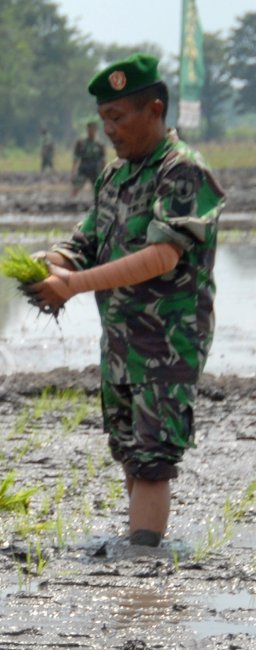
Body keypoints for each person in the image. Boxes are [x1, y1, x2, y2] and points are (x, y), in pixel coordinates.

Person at [29, 54, 225, 549]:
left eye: (118, 118)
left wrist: (74, 285)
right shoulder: (115, 177)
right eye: (103, 120)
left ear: (154, 109)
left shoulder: (183, 172)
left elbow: (161, 255)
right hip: (119, 341)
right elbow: (84, 242)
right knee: (128, 450)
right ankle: (141, 544)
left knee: (154, 459)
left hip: (168, 342)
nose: (109, 130)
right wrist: (49, 264)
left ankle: (141, 565)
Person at [70, 120, 106, 198]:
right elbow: (76, 158)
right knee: (76, 187)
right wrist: (73, 171)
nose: (91, 131)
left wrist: (103, 173)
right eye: (90, 129)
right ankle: (71, 200)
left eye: (93, 129)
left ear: (96, 130)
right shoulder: (81, 143)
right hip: (84, 168)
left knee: (98, 188)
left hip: (95, 169)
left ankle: (98, 203)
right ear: (87, 129)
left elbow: (103, 160)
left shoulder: (100, 145)